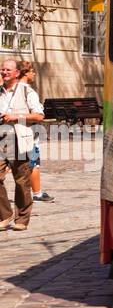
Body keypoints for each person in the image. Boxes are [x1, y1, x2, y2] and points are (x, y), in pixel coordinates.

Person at [0, 59, 43, 231]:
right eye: (2, 69)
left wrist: (16, 117)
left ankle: (22, 219)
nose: (4, 72)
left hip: (20, 139)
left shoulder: (27, 92)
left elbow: (39, 116)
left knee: (21, 181)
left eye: (8, 69)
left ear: (17, 73)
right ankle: (5, 214)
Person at [19, 63, 50, 203]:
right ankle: (37, 194)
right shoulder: (28, 92)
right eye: (32, 71)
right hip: (28, 133)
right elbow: (38, 115)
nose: (34, 74)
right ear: (26, 73)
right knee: (33, 163)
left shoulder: (8, 90)